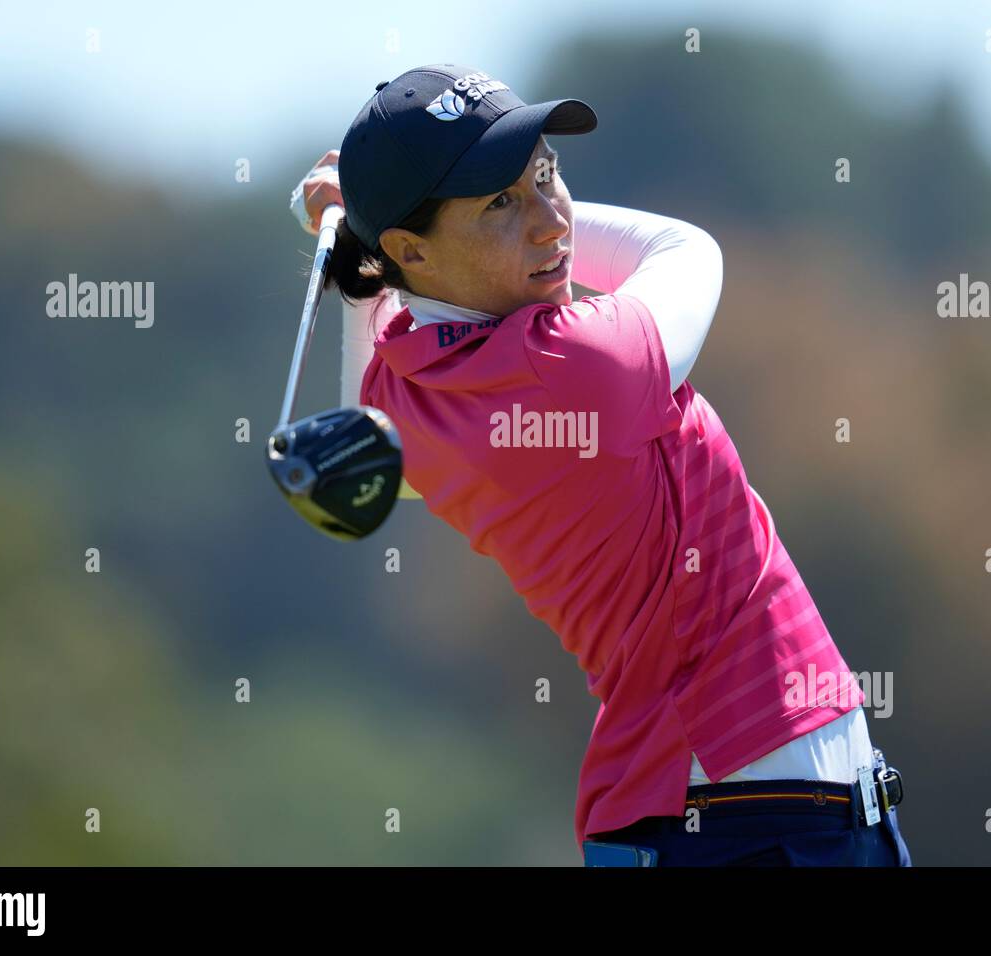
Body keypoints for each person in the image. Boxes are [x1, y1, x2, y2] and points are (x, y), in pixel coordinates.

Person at [289, 62, 912, 867]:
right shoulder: (578, 361)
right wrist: (361, 237)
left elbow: (378, 437)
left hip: (711, 811)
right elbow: (684, 248)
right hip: (748, 811)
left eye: (546, 174)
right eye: (500, 204)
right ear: (413, 247)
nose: (551, 222)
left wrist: (365, 246)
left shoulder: (411, 384)